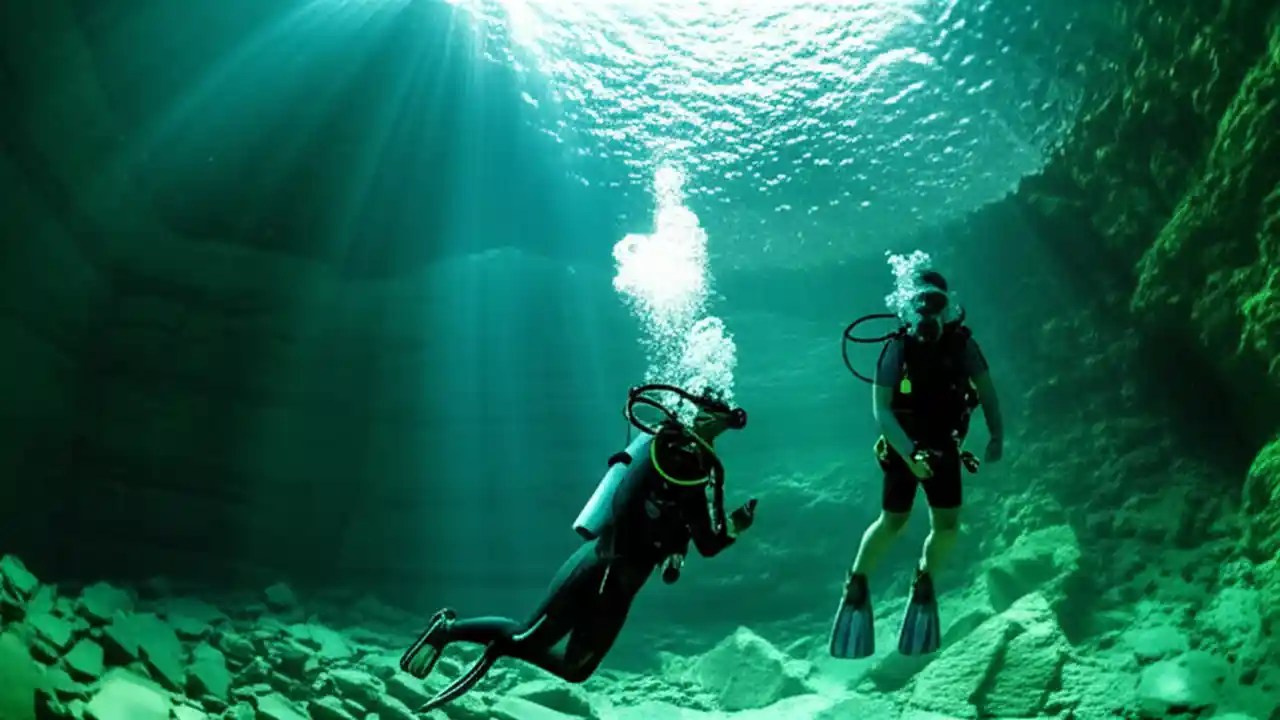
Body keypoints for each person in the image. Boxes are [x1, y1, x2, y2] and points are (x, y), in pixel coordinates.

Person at [399, 385, 759, 712]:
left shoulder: (690, 468)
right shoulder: (673, 457)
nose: (720, 425)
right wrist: (731, 526)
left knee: (575, 670)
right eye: (719, 416)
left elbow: (693, 537)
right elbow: (698, 538)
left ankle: (503, 644)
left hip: (622, 586)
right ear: (705, 415)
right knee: (527, 637)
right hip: (597, 567)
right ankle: (449, 629)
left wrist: (711, 529)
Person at [830, 269, 1004, 659]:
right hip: (902, 444)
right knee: (895, 519)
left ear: (949, 306)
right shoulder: (898, 347)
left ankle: (922, 580)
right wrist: (910, 454)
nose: (928, 312)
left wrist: (997, 435)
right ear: (909, 308)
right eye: (921, 303)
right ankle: (859, 584)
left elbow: (987, 394)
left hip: (941, 446)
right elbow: (882, 410)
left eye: (936, 303)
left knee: (942, 525)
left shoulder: (962, 345)